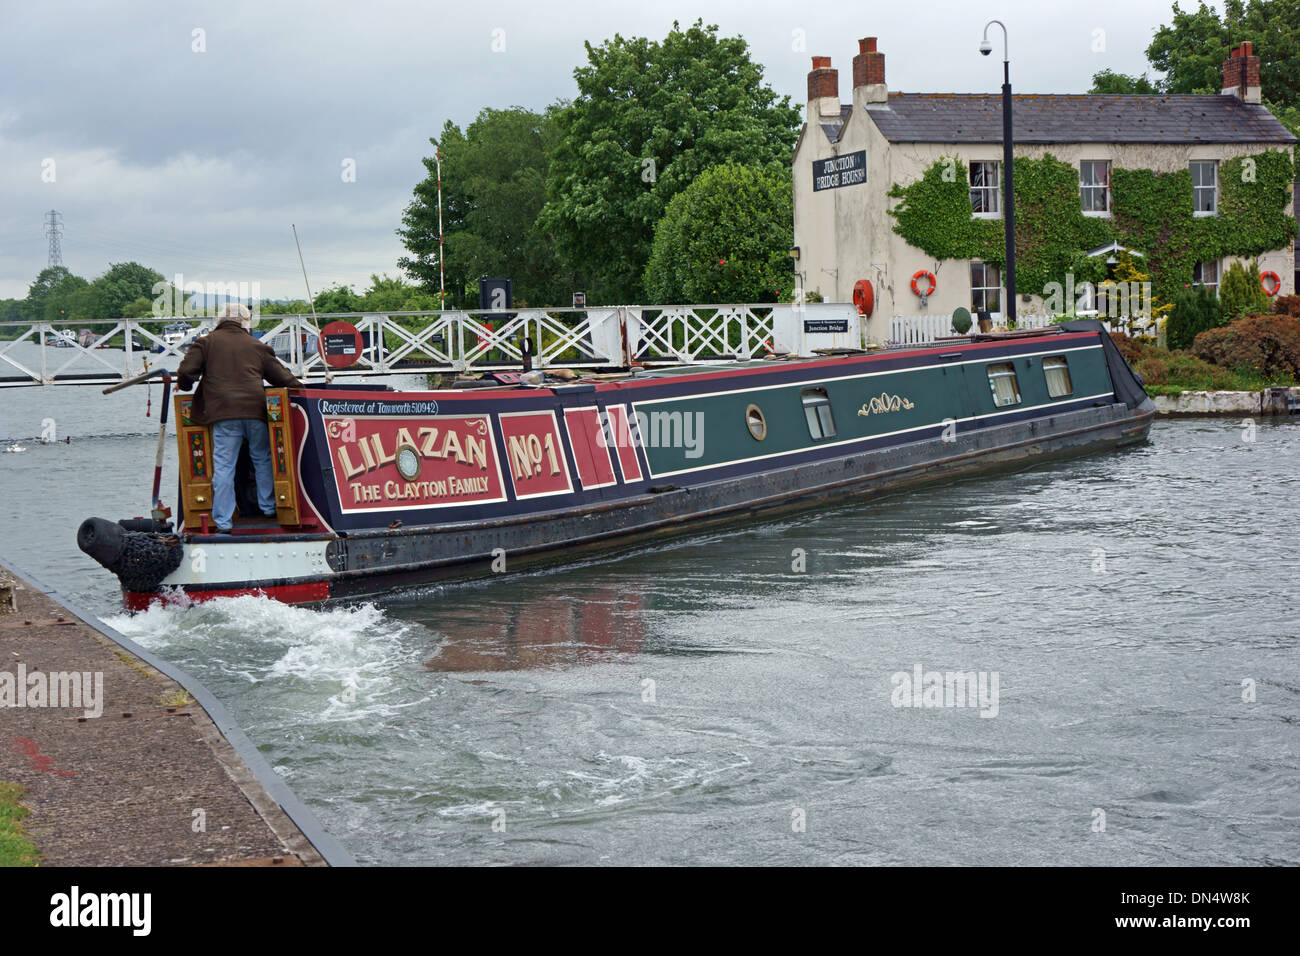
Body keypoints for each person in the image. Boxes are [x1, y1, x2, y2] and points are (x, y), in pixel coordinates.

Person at [177, 304, 304, 532]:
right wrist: (304, 390)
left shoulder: (206, 342)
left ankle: (223, 521)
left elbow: (187, 372)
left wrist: (184, 385)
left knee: (224, 466)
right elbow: (282, 378)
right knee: (262, 458)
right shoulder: (257, 345)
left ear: (220, 320)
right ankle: (268, 507)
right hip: (256, 410)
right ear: (246, 321)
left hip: (223, 413)